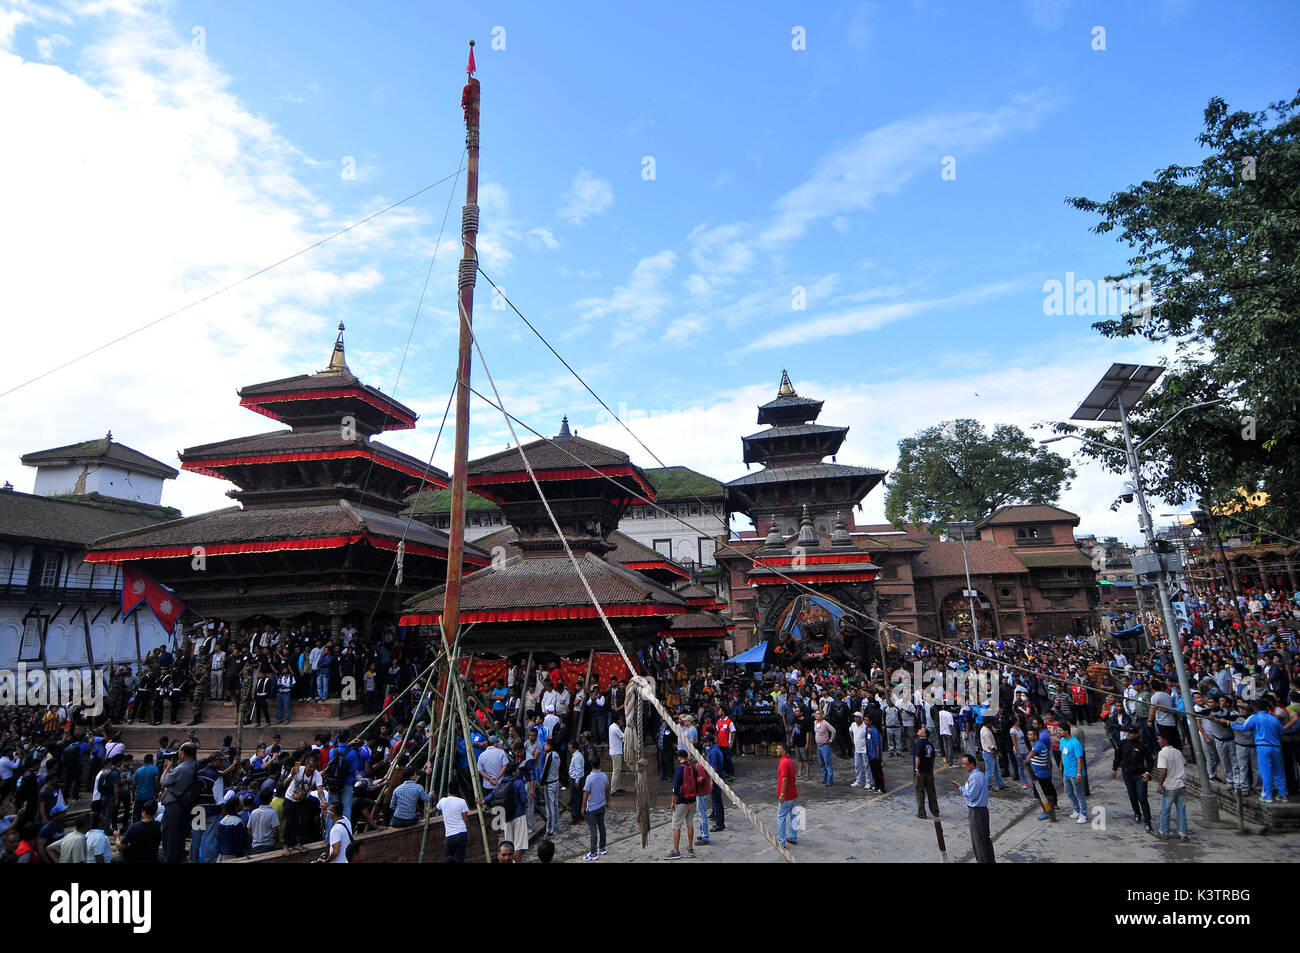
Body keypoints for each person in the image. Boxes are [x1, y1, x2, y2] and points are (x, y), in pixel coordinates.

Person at [158, 742, 197, 863]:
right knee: (178, 835)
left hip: (174, 805)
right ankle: (177, 857)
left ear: (184, 753)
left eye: (179, 751)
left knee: (170, 836)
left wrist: (168, 766)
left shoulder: (182, 768)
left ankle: (171, 859)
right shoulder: (192, 765)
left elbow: (163, 781)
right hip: (181, 805)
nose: (177, 753)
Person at [1111, 725, 1154, 832]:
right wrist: (1114, 769)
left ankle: (1148, 821)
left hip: (1140, 774)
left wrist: (1147, 772)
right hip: (1127, 773)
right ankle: (1137, 813)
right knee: (1132, 795)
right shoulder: (1123, 744)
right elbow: (1117, 757)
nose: (1128, 735)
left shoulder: (1142, 745)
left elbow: (1150, 761)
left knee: (1142, 797)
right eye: (1127, 733)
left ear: (1136, 734)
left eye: (1130, 733)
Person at [953, 753, 994, 862]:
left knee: (979, 841)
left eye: (965, 764)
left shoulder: (975, 777)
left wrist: (960, 788)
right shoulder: (978, 775)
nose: (964, 766)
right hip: (980, 811)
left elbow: (971, 796)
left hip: (977, 812)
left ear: (971, 764)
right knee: (983, 840)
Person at [1155, 733, 1188, 841]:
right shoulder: (1177, 752)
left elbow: (1163, 770)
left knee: (1165, 809)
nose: (1158, 741)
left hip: (1170, 785)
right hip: (1181, 784)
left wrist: (1160, 785)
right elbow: (1184, 763)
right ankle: (1183, 833)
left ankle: (1164, 831)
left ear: (1165, 740)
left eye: (1160, 739)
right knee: (1181, 809)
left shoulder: (1162, 753)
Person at [667, 749, 696, 859]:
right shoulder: (692, 768)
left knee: (676, 825)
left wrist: (673, 801)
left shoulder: (679, 769)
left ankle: (676, 850)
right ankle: (690, 847)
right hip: (692, 799)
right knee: (690, 823)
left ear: (679, 757)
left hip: (681, 800)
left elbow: (676, 787)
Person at [581, 753, 608, 861]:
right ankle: (602, 847)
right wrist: (607, 801)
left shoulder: (589, 778)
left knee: (593, 830)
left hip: (592, 808)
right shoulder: (604, 776)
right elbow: (607, 789)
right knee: (602, 826)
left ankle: (593, 852)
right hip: (601, 805)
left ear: (591, 764)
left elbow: (586, 794)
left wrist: (583, 807)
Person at [436, 780, 470, 863]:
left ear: (448, 790)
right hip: (461, 833)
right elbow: (466, 820)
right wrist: (467, 832)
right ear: (458, 791)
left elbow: (435, 809)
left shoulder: (442, 801)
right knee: (460, 858)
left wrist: (429, 810)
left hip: (449, 835)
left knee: (449, 859)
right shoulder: (462, 802)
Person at [1060, 722, 1088, 824]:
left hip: (1075, 773)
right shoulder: (1062, 741)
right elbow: (1062, 754)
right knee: (1068, 792)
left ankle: (1083, 813)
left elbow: (1079, 759)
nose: (1060, 732)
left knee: (1079, 794)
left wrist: (1079, 773)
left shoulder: (1075, 743)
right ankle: (1077, 809)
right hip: (1066, 772)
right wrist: (1060, 766)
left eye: (1061, 730)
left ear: (1067, 731)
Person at [913, 725, 940, 819]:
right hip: (928, 770)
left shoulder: (919, 743)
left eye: (921, 730)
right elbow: (933, 757)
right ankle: (935, 810)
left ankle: (921, 812)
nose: (919, 730)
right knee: (931, 791)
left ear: (924, 734)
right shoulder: (929, 744)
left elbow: (918, 756)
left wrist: (916, 768)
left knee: (919, 791)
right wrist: (932, 767)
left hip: (920, 771)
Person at [775, 742, 799, 847]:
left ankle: (781, 841)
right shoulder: (790, 762)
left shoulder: (784, 763)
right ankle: (793, 837)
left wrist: (782, 794)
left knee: (781, 818)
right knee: (794, 816)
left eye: (778, 748)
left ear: (783, 751)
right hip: (793, 794)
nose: (777, 750)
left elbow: (785, 779)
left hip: (787, 795)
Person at [705, 734, 727, 831]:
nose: (705, 744)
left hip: (715, 778)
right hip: (718, 777)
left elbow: (713, 768)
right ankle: (719, 821)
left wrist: (711, 781)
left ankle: (719, 823)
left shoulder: (713, 751)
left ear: (710, 742)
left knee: (716, 801)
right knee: (717, 801)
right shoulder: (715, 749)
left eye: (706, 742)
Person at [980, 721, 1005, 791]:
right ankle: (988, 785)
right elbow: (991, 745)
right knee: (989, 771)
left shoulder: (985, 729)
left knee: (997, 770)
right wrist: (998, 753)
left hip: (990, 753)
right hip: (989, 753)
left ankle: (1001, 784)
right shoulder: (986, 733)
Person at [814, 708, 836, 786]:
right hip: (819, 745)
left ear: (822, 715)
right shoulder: (815, 722)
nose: (816, 715)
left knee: (827, 763)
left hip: (825, 746)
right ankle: (824, 777)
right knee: (821, 763)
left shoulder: (825, 723)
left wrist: (830, 740)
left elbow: (833, 731)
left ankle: (829, 780)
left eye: (818, 714)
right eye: (816, 714)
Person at [850, 711, 871, 789]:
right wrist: (853, 740)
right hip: (857, 749)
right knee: (858, 766)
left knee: (866, 765)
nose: (855, 718)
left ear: (860, 718)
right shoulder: (853, 725)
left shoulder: (865, 726)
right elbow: (850, 732)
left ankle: (868, 781)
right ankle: (858, 780)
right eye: (854, 717)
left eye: (857, 717)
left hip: (864, 749)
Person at [567, 740, 585, 825]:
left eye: (570, 747)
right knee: (578, 798)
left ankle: (576, 817)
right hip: (577, 779)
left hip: (576, 780)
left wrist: (577, 781)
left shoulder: (577, 757)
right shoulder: (578, 755)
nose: (569, 749)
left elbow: (578, 770)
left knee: (575, 799)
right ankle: (580, 815)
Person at [607, 716, 626, 796]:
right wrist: (625, 728)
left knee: (618, 770)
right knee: (616, 771)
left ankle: (617, 787)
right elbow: (624, 737)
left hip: (614, 751)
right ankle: (613, 789)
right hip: (616, 752)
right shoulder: (616, 729)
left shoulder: (611, 726)